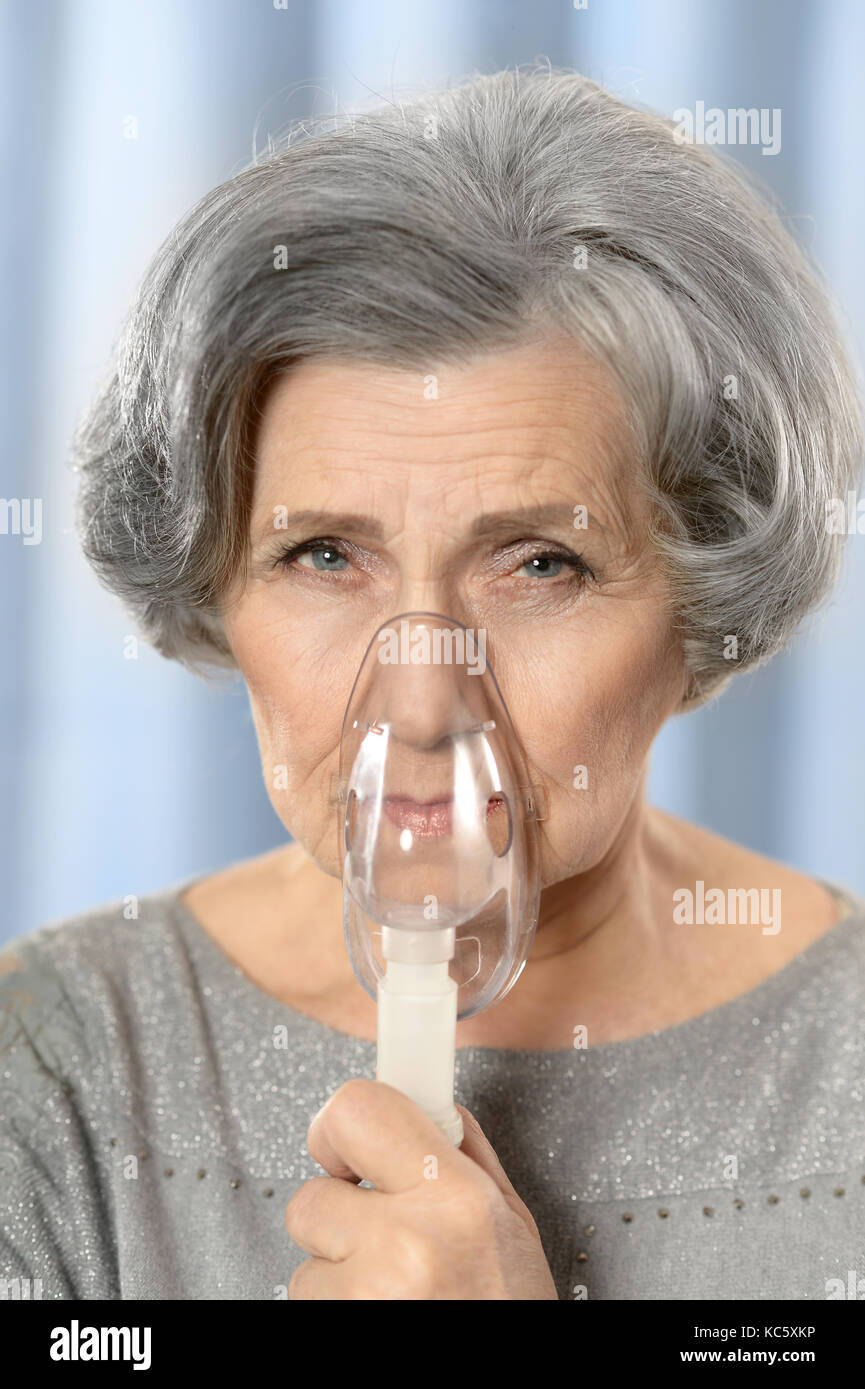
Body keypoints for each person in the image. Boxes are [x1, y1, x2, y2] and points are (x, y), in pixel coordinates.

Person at [2, 66, 863, 1302]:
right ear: (211, 584)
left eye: (541, 565)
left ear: (705, 597)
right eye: (323, 555)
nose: (418, 706)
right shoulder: (52, 1071)